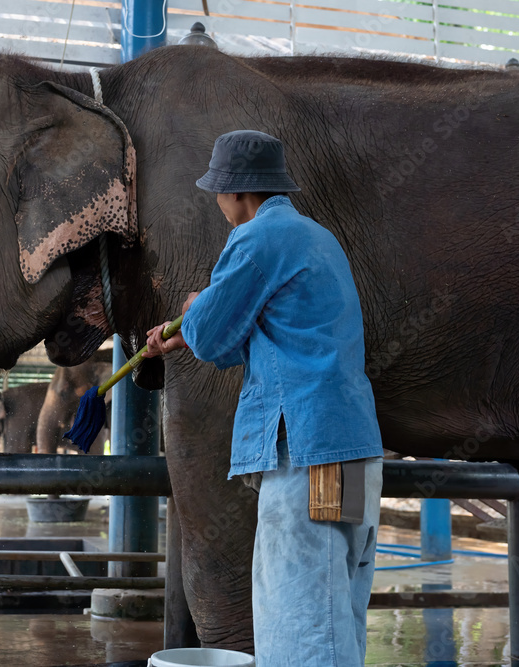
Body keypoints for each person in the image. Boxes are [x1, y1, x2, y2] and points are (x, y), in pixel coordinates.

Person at [143, 130, 384, 666]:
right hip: (349, 456)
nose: (220, 206)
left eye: (220, 195)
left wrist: (196, 309)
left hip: (306, 456)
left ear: (238, 194)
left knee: (301, 623)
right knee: (336, 614)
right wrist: (203, 321)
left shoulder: (257, 238)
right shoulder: (318, 238)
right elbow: (248, 339)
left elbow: (208, 333)